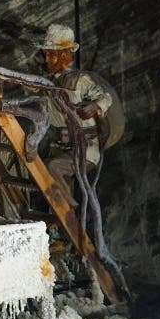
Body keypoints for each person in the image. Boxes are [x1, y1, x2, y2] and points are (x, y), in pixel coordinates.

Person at [40, 24, 113, 205]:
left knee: (52, 167)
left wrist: (94, 107)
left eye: (52, 53)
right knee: (55, 174)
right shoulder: (48, 82)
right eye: (47, 53)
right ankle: (59, 221)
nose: (47, 58)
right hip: (61, 147)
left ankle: (68, 210)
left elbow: (105, 96)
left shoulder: (79, 80)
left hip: (85, 150)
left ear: (65, 55)